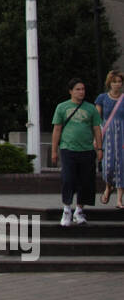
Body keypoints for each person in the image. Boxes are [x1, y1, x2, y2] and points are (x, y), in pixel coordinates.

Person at [51, 78, 102, 225]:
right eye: (78, 89)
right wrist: (54, 150)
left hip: (86, 149)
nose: (81, 92)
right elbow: (57, 129)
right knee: (68, 178)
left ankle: (79, 210)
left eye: (83, 89)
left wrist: (99, 148)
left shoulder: (91, 108)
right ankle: (66, 209)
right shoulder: (62, 107)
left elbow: (97, 129)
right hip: (68, 148)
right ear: (71, 91)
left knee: (85, 181)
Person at [95, 70, 124, 209]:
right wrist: (97, 137)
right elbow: (96, 119)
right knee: (108, 166)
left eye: (119, 82)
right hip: (107, 134)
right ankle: (108, 186)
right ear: (109, 83)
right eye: (114, 82)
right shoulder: (102, 98)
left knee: (121, 166)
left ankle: (119, 199)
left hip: (122, 135)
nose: (117, 84)